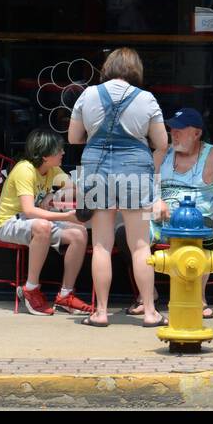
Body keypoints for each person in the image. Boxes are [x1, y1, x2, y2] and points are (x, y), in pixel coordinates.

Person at [67, 47, 168, 327]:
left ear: (108, 67)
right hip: (135, 168)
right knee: (139, 245)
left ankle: (100, 312)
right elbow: (161, 143)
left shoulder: (88, 95)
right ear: (135, 69)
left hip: (96, 168)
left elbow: (74, 137)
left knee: (100, 244)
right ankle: (149, 312)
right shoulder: (146, 99)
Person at [127, 107, 213, 320]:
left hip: (196, 224)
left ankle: (199, 297)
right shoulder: (163, 152)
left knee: (204, 232)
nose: (173, 133)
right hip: (161, 223)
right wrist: (156, 200)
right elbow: (144, 185)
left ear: (197, 133)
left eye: (180, 130)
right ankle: (148, 295)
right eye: (172, 129)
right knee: (128, 233)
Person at [0, 129, 94, 316]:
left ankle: (66, 295)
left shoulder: (52, 169)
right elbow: (29, 210)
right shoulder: (25, 170)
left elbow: (73, 187)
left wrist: (53, 193)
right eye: (59, 150)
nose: (63, 153)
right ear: (45, 155)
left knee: (79, 233)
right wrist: (66, 217)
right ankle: (30, 289)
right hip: (10, 222)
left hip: (32, 221)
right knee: (42, 226)